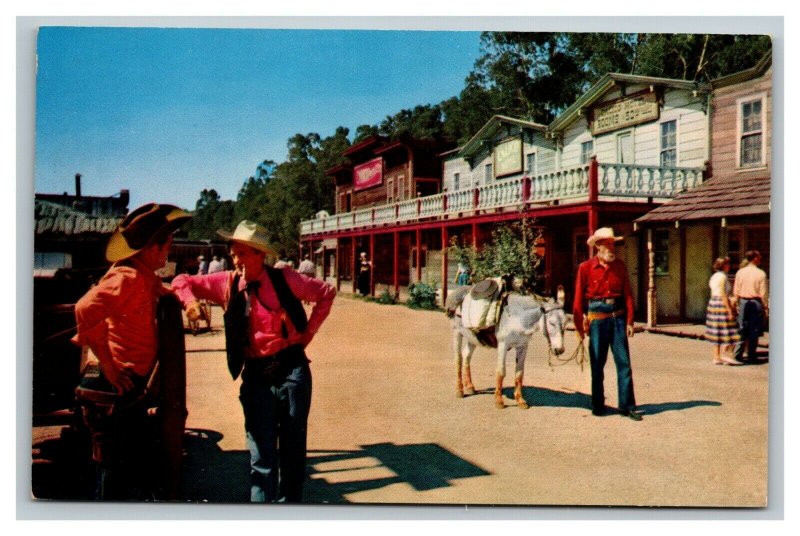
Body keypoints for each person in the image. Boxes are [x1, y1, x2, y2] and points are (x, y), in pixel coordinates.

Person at [171, 220, 336, 503]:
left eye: (243, 254)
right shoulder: (227, 282)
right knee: (261, 456)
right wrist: (189, 302)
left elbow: (326, 294)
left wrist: (307, 334)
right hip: (257, 376)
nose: (236, 260)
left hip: (291, 372)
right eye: (234, 254)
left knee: (293, 453)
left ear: (261, 255)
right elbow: (180, 281)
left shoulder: (286, 280)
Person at [72, 202, 192, 394]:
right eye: (168, 246)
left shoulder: (144, 275)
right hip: (122, 375)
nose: (169, 252)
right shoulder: (128, 277)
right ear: (153, 248)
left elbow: (157, 290)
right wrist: (109, 367)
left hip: (132, 371)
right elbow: (84, 307)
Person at [573, 227, 642, 421]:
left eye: (613, 244)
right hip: (597, 321)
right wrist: (579, 327)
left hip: (618, 318)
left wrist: (630, 321)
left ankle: (627, 406)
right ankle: (598, 405)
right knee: (597, 364)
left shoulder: (620, 266)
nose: (612, 248)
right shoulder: (585, 268)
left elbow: (628, 294)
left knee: (624, 363)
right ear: (598, 246)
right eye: (608, 244)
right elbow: (577, 300)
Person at [733, 250, 768, 363]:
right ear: (755, 258)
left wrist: (736, 303)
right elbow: (763, 293)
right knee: (754, 329)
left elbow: (736, 289)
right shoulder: (761, 274)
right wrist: (765, 306)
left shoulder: (740, 272)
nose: (760, 258)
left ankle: (738, 354)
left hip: (743, 301)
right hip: (755, 302)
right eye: (759, 257)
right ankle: (751, 355)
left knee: (742, 328)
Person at [704, 257, 742, 365]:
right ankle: (727, 354)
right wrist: (729, 310)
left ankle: (717, 356)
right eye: (727, 264)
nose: (729, 266)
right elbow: (723, 294)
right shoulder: (722, 277)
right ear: (723, 265)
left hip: (713, 302)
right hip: (721, 303)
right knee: (731, 329)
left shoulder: (714, 276)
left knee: (717, 330)